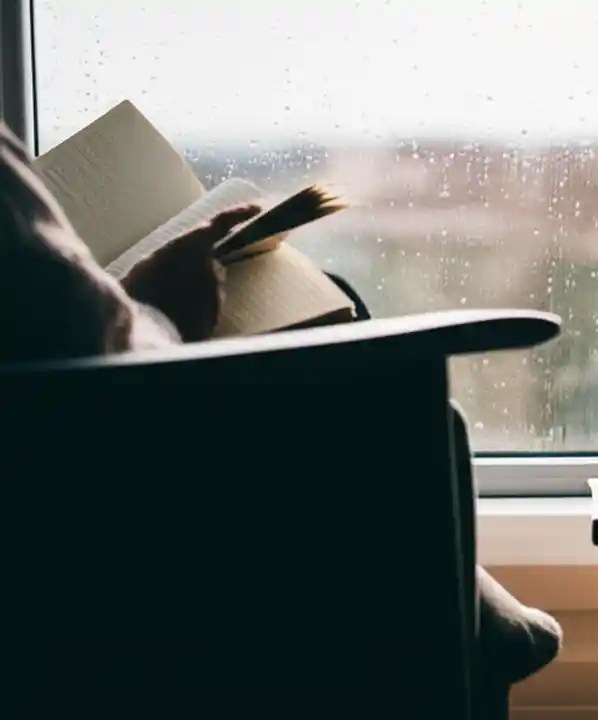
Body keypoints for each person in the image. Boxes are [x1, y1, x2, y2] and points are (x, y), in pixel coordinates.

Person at [0, 123, 560, 715]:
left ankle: (490, 618)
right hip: (97, 505)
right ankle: (487, 624)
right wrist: (162, 312)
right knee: (363, 401)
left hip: (64, 495)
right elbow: (81, 342)